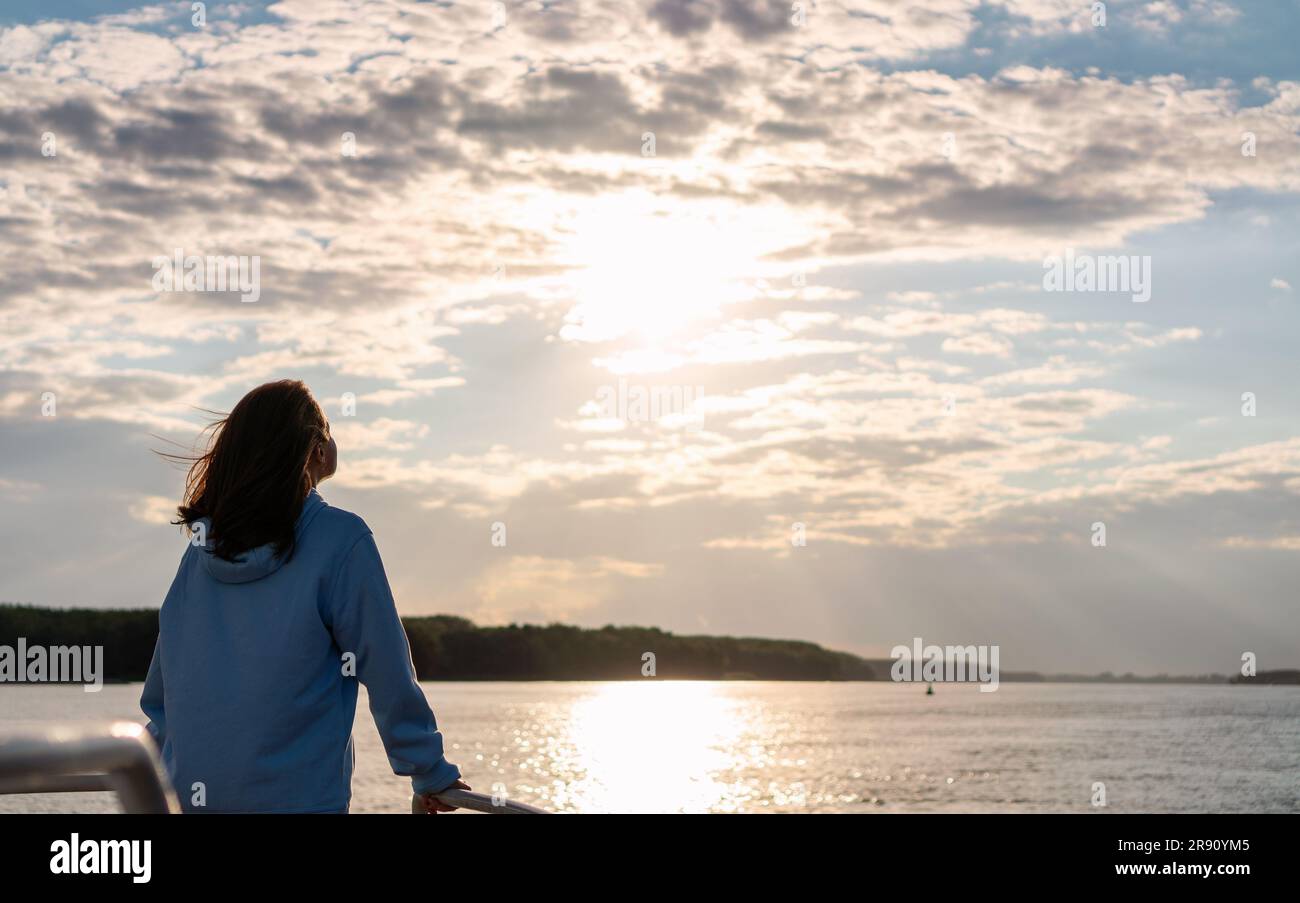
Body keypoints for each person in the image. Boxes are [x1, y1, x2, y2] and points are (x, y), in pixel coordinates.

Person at [141, 379, 467, 813]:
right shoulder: (341, 539)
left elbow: (162, 699)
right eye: (328, 428)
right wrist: (430, 771)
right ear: (315, 449)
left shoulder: (200, 552)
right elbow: (386, 666)